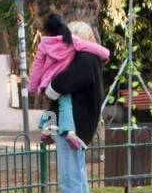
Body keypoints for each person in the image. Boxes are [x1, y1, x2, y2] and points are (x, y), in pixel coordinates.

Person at [43, 22, 105, 193]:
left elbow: (60, 83)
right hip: (81, 128)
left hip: (70, 127)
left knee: (69, 179)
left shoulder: (83, 61)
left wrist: (49, 88)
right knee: (78, 178)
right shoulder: (93, 60)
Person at [28, 13, 110, 150]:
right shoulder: (76, 46)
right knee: (64, 105)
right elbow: (94, 48)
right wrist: (106, 55)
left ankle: (50, 129)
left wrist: (32, 87)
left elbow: (37, 68)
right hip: (58, 89)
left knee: (56, 106)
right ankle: (61, 131)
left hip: (48, 81)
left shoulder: (45, 45)